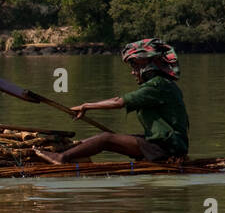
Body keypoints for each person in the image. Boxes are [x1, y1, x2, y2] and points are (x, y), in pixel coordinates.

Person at [32, 39, 188, 165]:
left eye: (134, 66)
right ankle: (63, 153)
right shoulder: (161, 84)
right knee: (97, 140)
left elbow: (119, 102)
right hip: (162, 144)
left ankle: (60, 158)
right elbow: (118, 100)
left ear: (147, 65)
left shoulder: (158, 85)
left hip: (166, 148)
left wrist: (86, 106)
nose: (132, 72)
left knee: (106, 139)